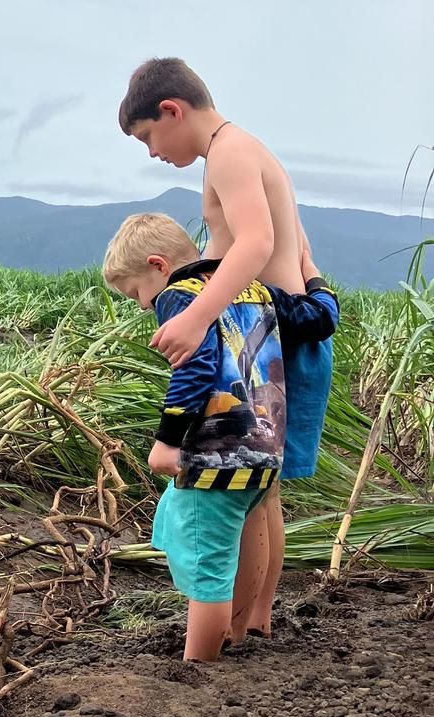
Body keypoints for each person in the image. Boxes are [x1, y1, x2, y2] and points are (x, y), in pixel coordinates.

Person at [117, 57, 338, 641]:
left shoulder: (229, 152)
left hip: (272, 344)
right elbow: (295, 242)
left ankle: (235, 622)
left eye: (147, 137)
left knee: (254, 494)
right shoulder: (249, 149)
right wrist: (312, 283)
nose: (152, 152)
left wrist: (196, 315)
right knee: (264, 493)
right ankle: (255, 617)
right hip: (287, 331)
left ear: (172, 111)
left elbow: (258, 239)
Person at [102, 212, 338, 661]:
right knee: (234, 539)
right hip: (266, 451)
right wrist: (314, 275)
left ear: (158, 265)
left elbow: (194, 367)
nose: (141, 305)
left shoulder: (179, 295)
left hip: (216, 454)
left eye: (136, 293)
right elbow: (319, 319)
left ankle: (198, 665)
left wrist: (168, 439)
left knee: (208, 568)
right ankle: (243, 631)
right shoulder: (252, 288)